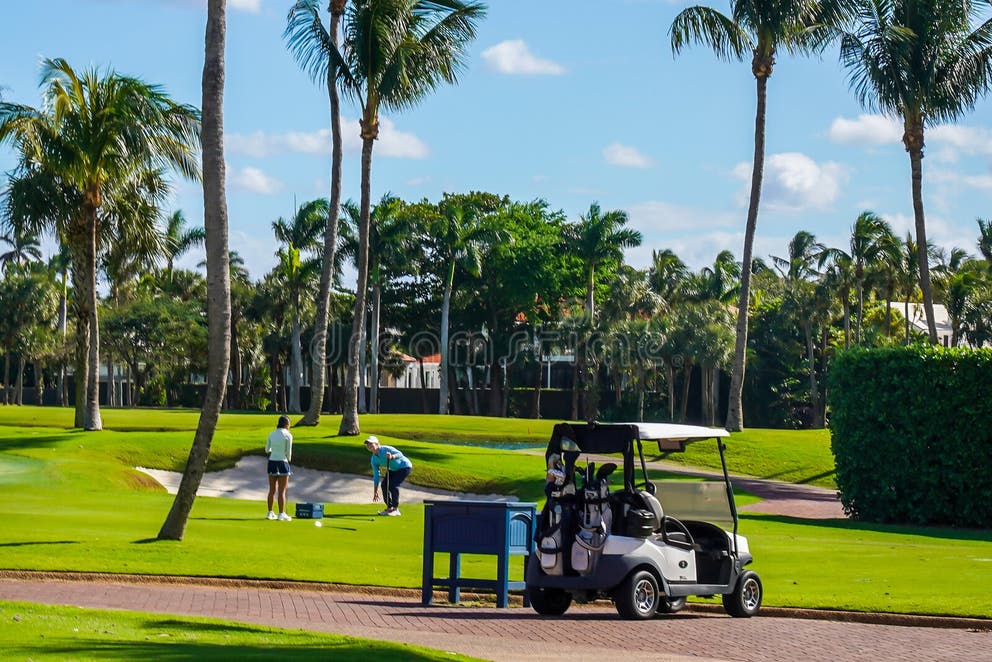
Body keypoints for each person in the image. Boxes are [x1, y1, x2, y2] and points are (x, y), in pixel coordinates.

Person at [364, 435, 413, 516]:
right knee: (384, 485)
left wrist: (392, 456)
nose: (369, 446)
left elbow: (400, 454)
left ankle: (396, 509)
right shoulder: (374, 459)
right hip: (393, 469)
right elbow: (376, 475)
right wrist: (375, 491)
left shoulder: (386, 449)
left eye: (371, 444)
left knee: (393, 485)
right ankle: (390, 508)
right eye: (367, 444)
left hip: (404, 466)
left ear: (377, 444)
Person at [265, 415, 293, 521]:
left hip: (272, 462)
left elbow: (267, 450)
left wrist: (274, 450)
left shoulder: (271, 434)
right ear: (286, 424)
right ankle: (281, 513)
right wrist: (288, 460)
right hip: (282, 463)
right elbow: (288, 453)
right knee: (282, 491)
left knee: (272, 490)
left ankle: (270, 512)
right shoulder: (288, 435)